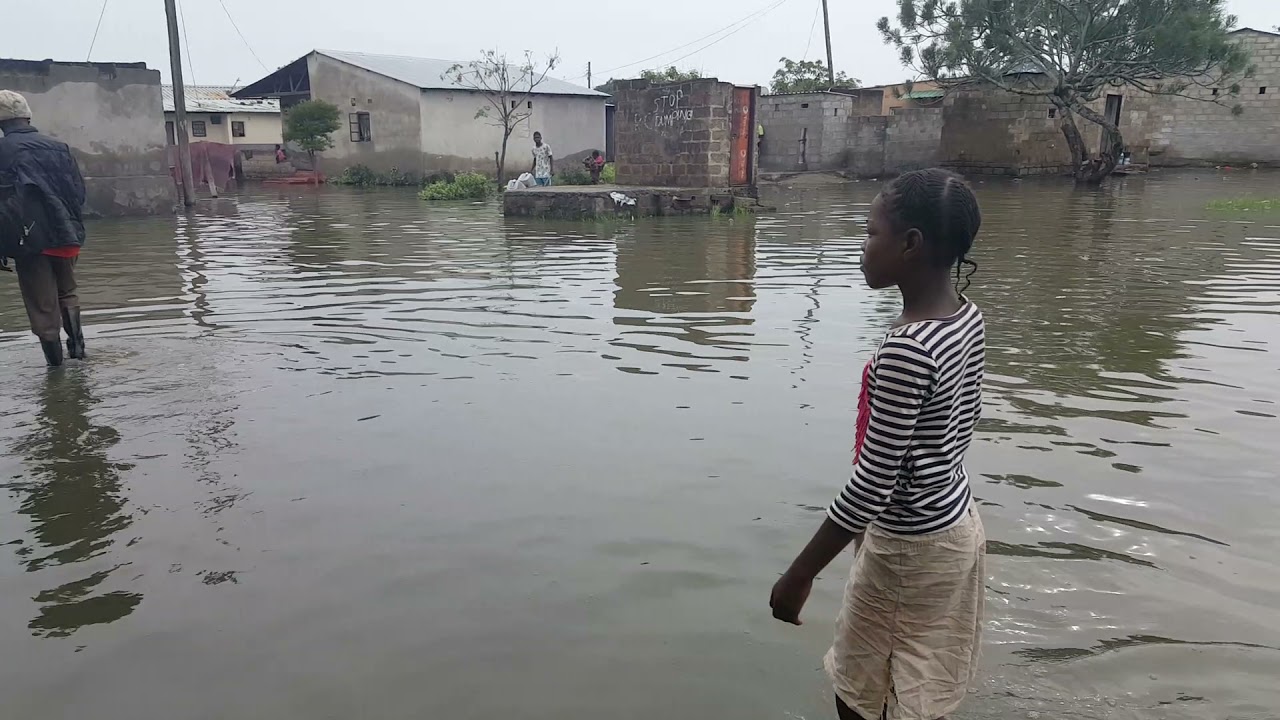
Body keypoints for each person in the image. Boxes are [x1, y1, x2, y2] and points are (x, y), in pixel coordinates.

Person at [769, 168, 986, 720]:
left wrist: (799, 574)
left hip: (909, 547)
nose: (861, 249)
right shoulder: (965, 318)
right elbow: (953, 432)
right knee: (918, 680)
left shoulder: (907, 350)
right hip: (954, 523)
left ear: (910, 244)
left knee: (864, 695)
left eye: (870, 233)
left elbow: (872, 482)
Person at [0, 90, 87, 367]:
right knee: (67, 292)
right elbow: (78, 192)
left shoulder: (3, 151)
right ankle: (78, 353)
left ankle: (56, 373)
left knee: (42, 305)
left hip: (29, 240)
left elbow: (5, 201)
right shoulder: (59, 147)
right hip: (67, 236)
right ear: (27, 116)